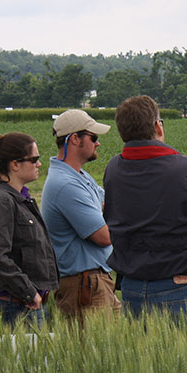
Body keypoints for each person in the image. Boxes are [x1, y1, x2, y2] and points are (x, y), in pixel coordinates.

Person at [103, 95, 187, 319]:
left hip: (131, 285)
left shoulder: (113, 168)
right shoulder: (185, 169)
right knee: (186, 353)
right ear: (157, 126)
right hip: (178, 284)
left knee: (139, 353)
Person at [42, 109, 121, 323]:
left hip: (94, 281)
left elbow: (108, 206)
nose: (98, 143)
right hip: (85, 286)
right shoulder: (66, 184)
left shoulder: (78, 176)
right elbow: (103, 236)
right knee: (95, 353)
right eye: (93, 138)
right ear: (75, 139)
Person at [0, 133, 59, 328]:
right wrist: (28, 292)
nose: (39, 164)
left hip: (27, 303)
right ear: (15, 164)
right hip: (16, 306)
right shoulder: (1, 201)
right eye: (34, 159)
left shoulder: (19, 198)